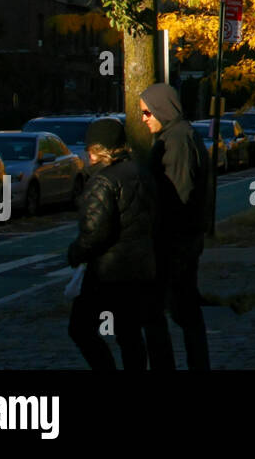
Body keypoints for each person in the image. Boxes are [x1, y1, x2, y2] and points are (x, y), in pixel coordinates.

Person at [67, 117, 155, 370]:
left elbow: (94, 232)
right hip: (140, 268)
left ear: (97, 151)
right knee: (129, 334)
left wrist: (75, 253)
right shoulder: (141, 172)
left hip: (109, 271)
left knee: (81, 329)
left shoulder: (102, 181)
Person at [141, 82, 211, 370]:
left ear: (161, 109)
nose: (143, 119)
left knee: (162, 311)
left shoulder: (176, 141)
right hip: (179, 240)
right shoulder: (178, 136)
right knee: (180, 311)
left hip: (174, 242)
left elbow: (178, 194)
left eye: (147, 112)